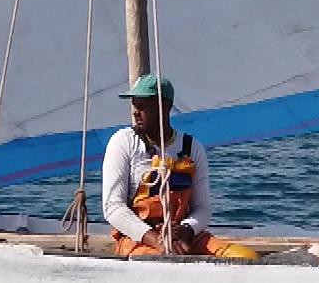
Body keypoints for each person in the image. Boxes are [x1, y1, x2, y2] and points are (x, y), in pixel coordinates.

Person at [101, 74, 248, 258]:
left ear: (164, 107)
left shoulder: (192, 148)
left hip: (184, 237)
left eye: (142, 105)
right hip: (138, 238)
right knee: (159, 263)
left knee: (245, 257)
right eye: (134, 105)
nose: (135, 112)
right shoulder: (122, 142)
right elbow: (113, 208)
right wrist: (157, 240)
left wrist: (186, 230)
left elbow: (202, 210)